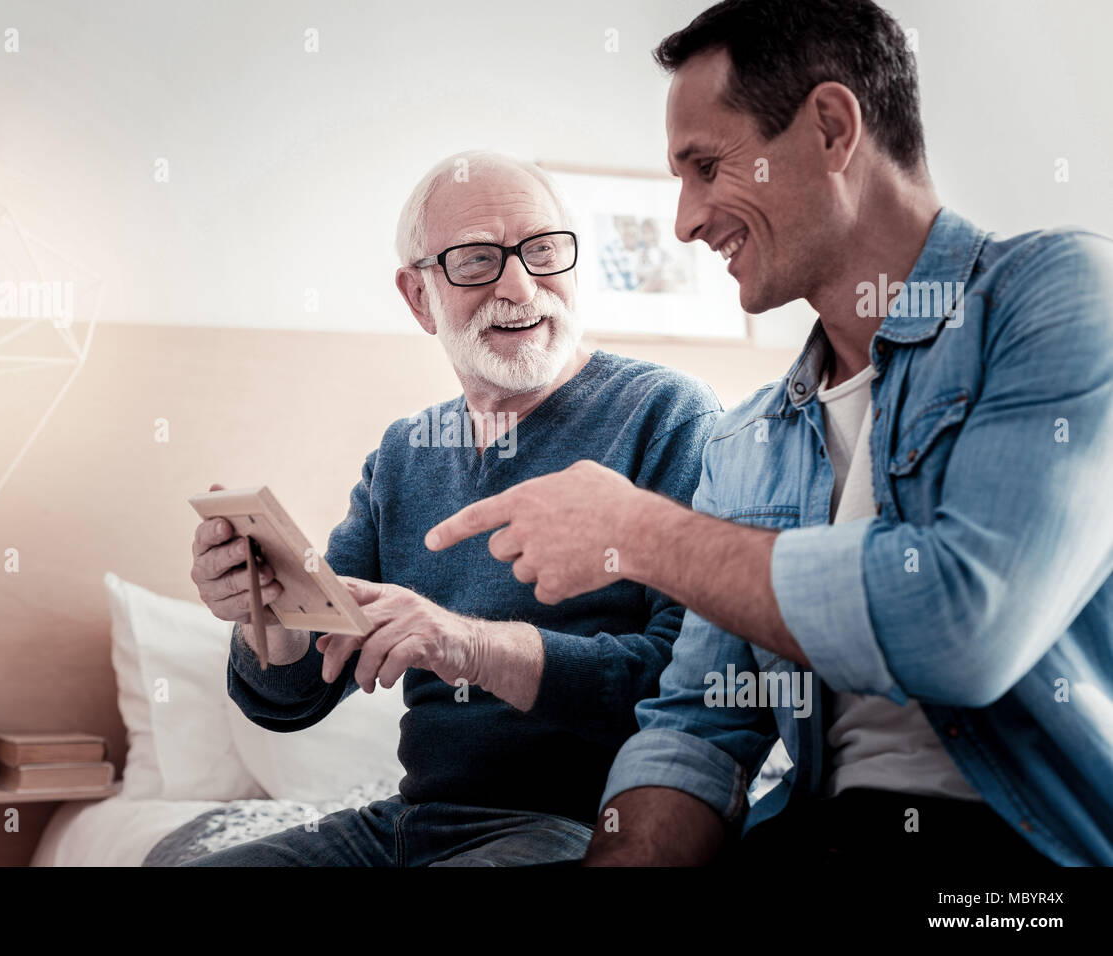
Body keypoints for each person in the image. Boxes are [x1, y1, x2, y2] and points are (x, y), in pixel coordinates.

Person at [425, 0, 1113, 866]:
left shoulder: (1055, 298)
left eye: (706, 166)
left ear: (831, 129)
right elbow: (697, 730)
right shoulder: (746, 440)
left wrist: (634, 530)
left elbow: (962, 626)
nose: (683, 220)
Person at [184, 150, 723, 866]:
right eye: (476, 261)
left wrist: (465, 644)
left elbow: (688, 684)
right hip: (416, 821)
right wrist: (270, 618)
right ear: (417, 296)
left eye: (542, 251)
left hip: (579, 825)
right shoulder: (404, 454)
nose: (520, 287)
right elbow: (290, 698)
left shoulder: (667, 415)